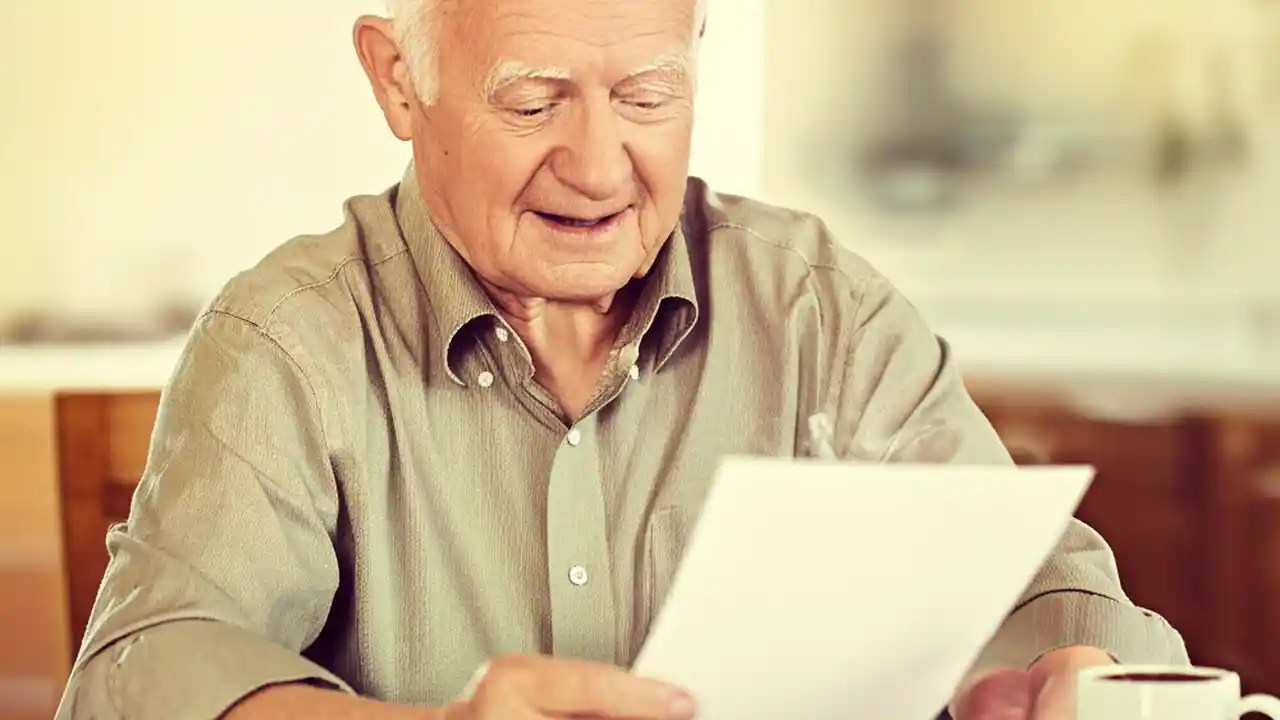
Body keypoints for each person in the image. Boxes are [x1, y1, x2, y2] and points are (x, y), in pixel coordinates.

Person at [55, 0, 1189, 718]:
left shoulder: (813, 310)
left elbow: (1041, 589)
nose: (598, 168)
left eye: (648, 95)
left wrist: (1082, 682)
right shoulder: (288, 338)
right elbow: (144, 675)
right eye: (534, 100)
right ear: (398, 80)